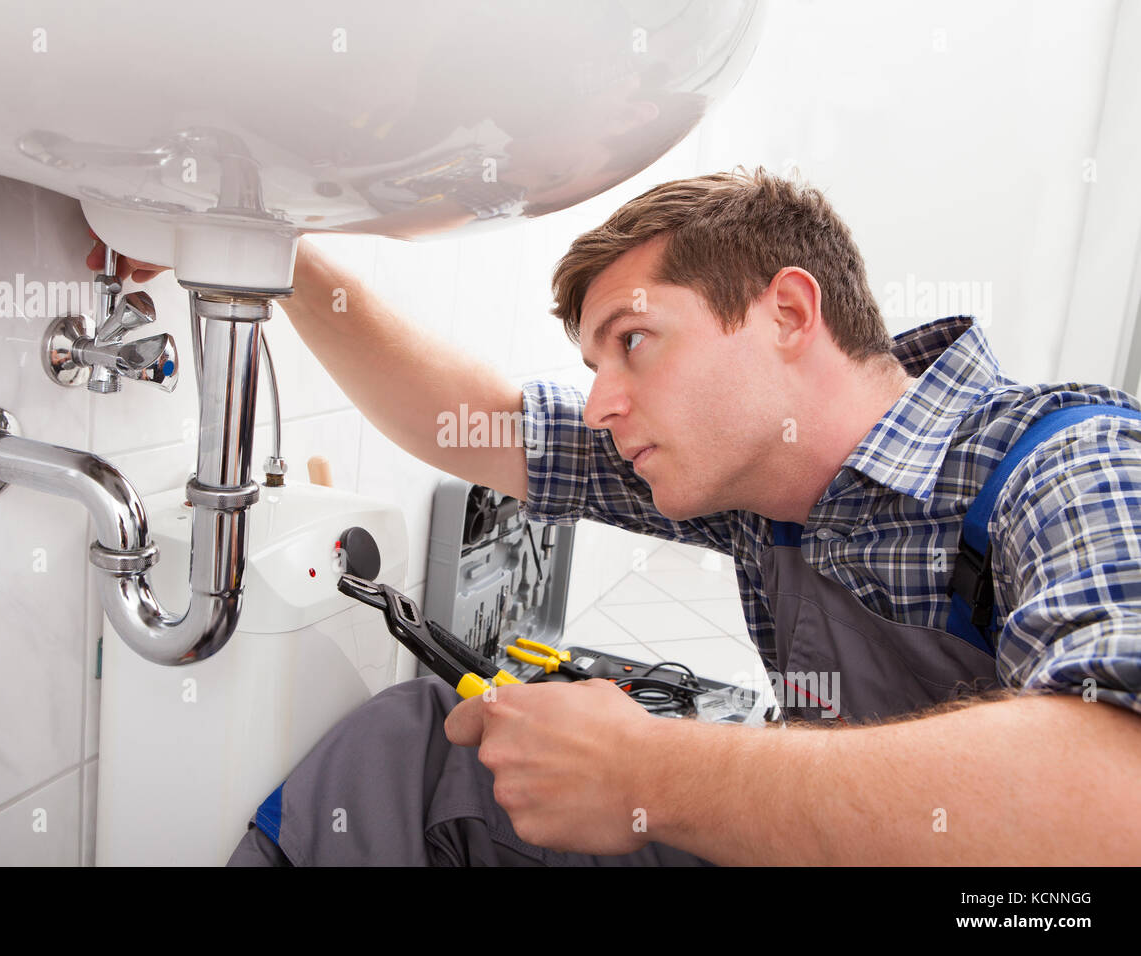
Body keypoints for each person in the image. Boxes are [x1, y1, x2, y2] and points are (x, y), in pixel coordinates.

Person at [90, 168, 1141, 866]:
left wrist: (652, 774)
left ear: (786, 311)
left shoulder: (1070, 461)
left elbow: (1111, 802)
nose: (599, 401)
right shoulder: (756, 492)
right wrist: (252, 246)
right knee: (429, 751)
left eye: (632, 342)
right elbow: (476, 424)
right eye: (592, 365)